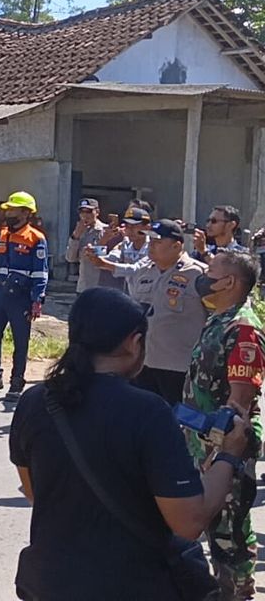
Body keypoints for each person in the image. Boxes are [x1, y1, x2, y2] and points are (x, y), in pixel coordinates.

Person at [9, 287, 251, 601]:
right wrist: (229, 454)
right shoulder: (147, 411)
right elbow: (189, 521)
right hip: (129, 584)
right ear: (134, 343)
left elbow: (34, 492)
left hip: (50, 582)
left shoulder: (34, 401)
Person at [182, 250, 264, 598]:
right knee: (213, 522)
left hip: (223, 444)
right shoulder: (220, 318)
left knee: (227, 525)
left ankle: (238, 589)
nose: (204, 274)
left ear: (229, 282)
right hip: (201, 438)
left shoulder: (243, 329)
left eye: (211, 270)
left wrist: (219, 455)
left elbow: (238, 403)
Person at [96, 220, 208, 405]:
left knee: (177, 420)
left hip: (178, 366)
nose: (151, 246)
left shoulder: (198, 274)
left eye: (158, 242)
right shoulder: (144, 271)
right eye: (151, 241)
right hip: (142, 364)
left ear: (176, 245)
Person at [0, 191, 48, 402]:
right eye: (8, 209)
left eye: (13, 209)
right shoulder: (4, 234)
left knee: (20, 341)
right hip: (0, 294)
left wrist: (37, 300)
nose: (9, 213)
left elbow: (41, 273)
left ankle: (17, 382)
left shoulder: (35, 238)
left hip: (21, 297)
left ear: (25, 213)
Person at [91, 207, 152, 293]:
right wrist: (104, 240)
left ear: (147, 228)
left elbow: (136, 270)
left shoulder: (154, 246)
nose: (129, 230)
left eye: (134, 226)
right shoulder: (125, 244)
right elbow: (109, 259)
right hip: (131, 296)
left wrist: (104, 264)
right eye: (127, 226)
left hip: (150, 299)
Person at [64, 198, 107, 292]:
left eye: (89, 211)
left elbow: (105, 255)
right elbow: (70, 258)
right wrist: (76, 236)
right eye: (82, 212)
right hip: (84, 286)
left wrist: (93, 250)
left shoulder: (105, 231)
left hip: (101, 284)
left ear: (97, 212)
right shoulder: (79, 231)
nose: (85, 215)